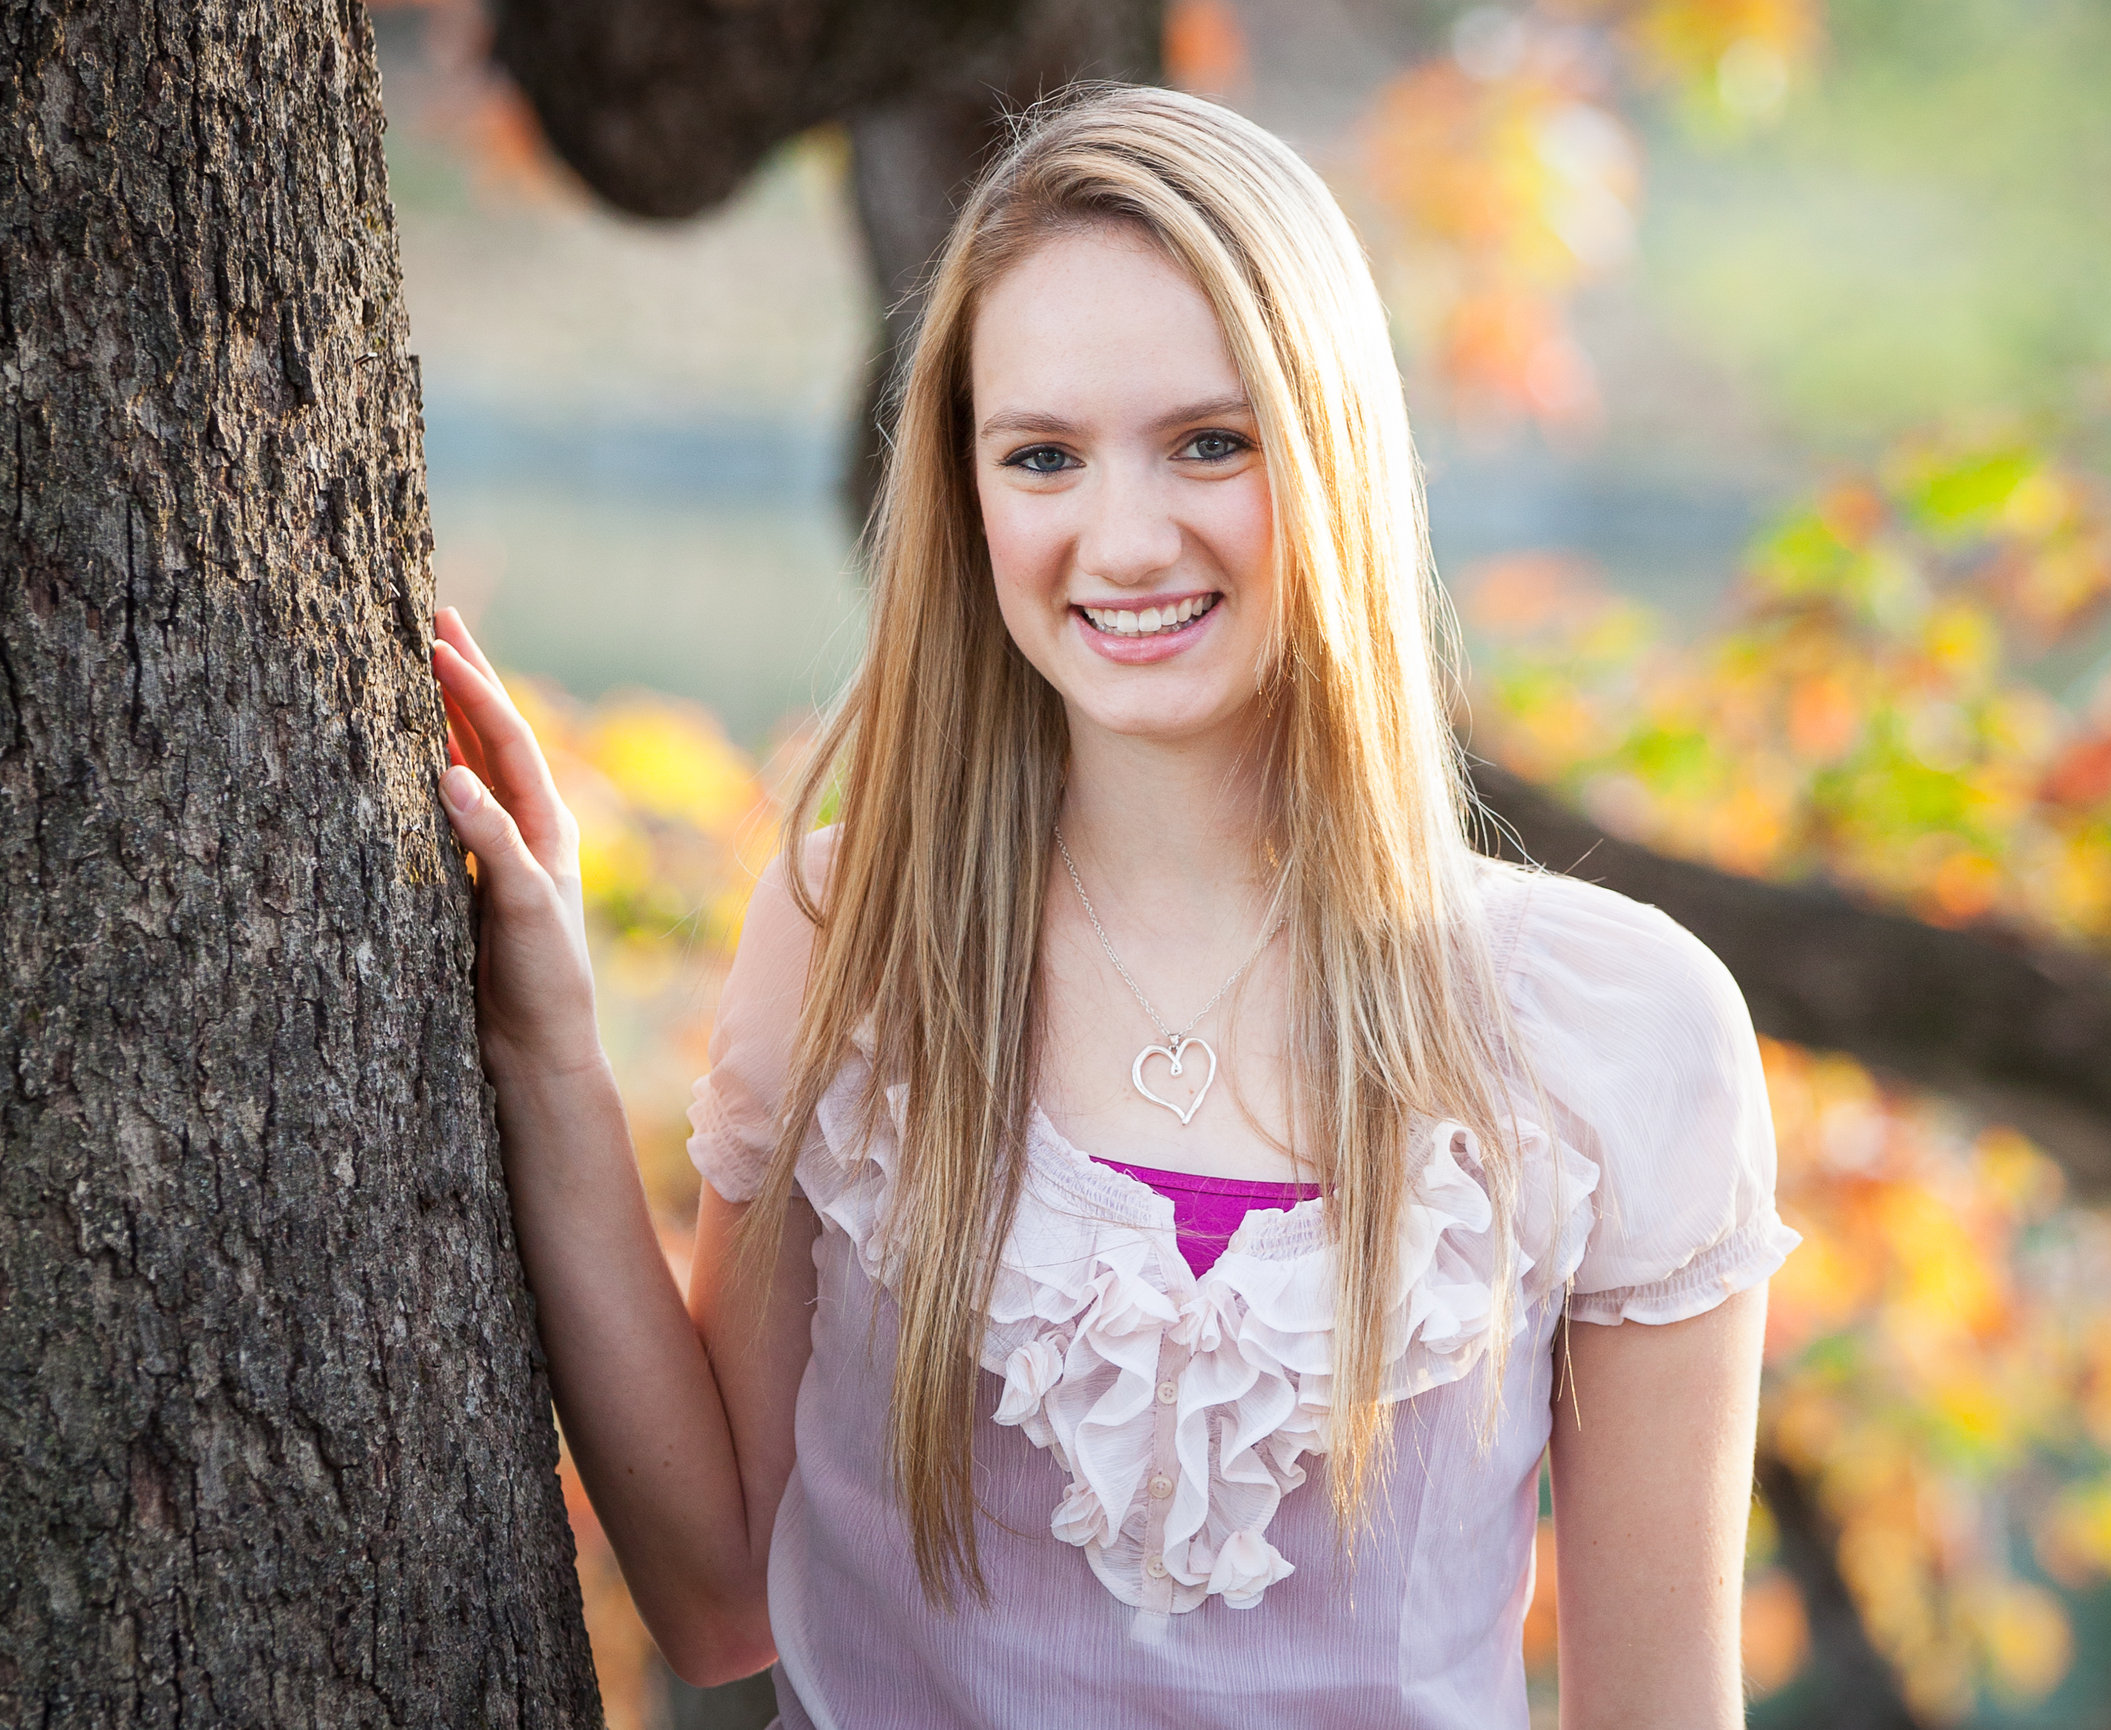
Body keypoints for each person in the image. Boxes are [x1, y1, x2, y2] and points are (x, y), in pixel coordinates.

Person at [430, 83, 1797, 1730]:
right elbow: (716, 1589)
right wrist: (552, 1048)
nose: (1125, 537)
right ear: (970, 492)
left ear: (1332, 452)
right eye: (1046, 455)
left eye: (1210, 442)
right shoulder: (857, 925)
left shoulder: (1622, 1029)